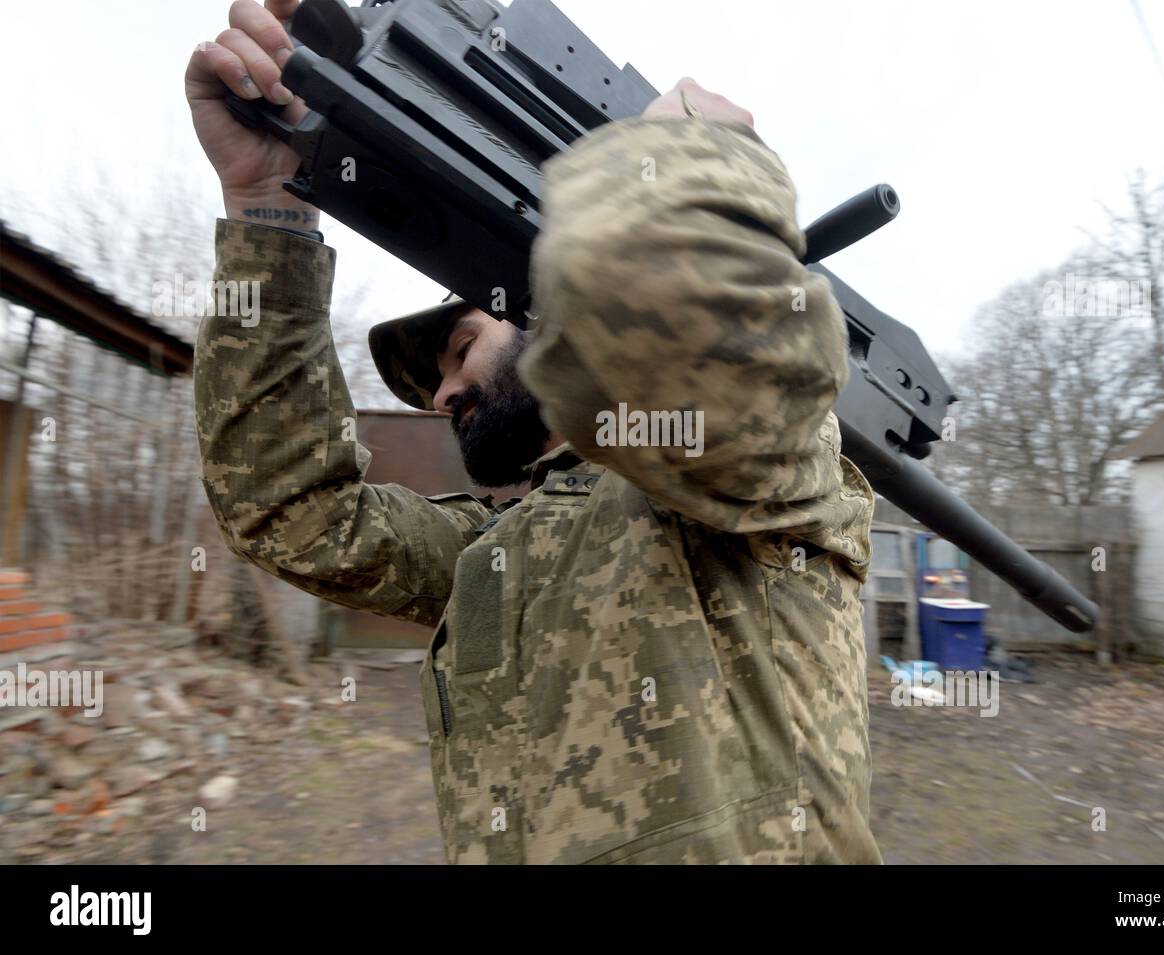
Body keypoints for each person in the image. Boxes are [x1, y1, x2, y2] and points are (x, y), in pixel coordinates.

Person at [187, 0, 882, 864]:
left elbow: (730, 364)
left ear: (538, 316)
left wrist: (676, 171)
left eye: (459, 349)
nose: (441, 394)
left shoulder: (738, 493)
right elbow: (290, 511)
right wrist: (265, 212)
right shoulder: (494, 552)